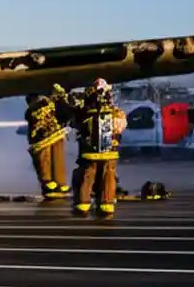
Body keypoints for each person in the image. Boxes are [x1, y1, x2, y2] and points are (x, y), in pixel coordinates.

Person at [70, 78, 127, 217]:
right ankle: (106, 206)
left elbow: (74, 124)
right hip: (110, 152)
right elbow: (121, 127)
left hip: (90, 152)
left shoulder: (84, 111)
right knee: (108, 176)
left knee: (87, 176)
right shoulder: (116, 111)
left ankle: (82, 205)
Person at [23, 84, 72, 200]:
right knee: (58, 159)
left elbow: (29, 119)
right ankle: (61, 185)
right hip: (57, 134)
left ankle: (49, 185)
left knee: (44, 161)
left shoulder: (32, 110)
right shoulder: (53, 103)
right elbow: (67, 114)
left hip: (41, 140)